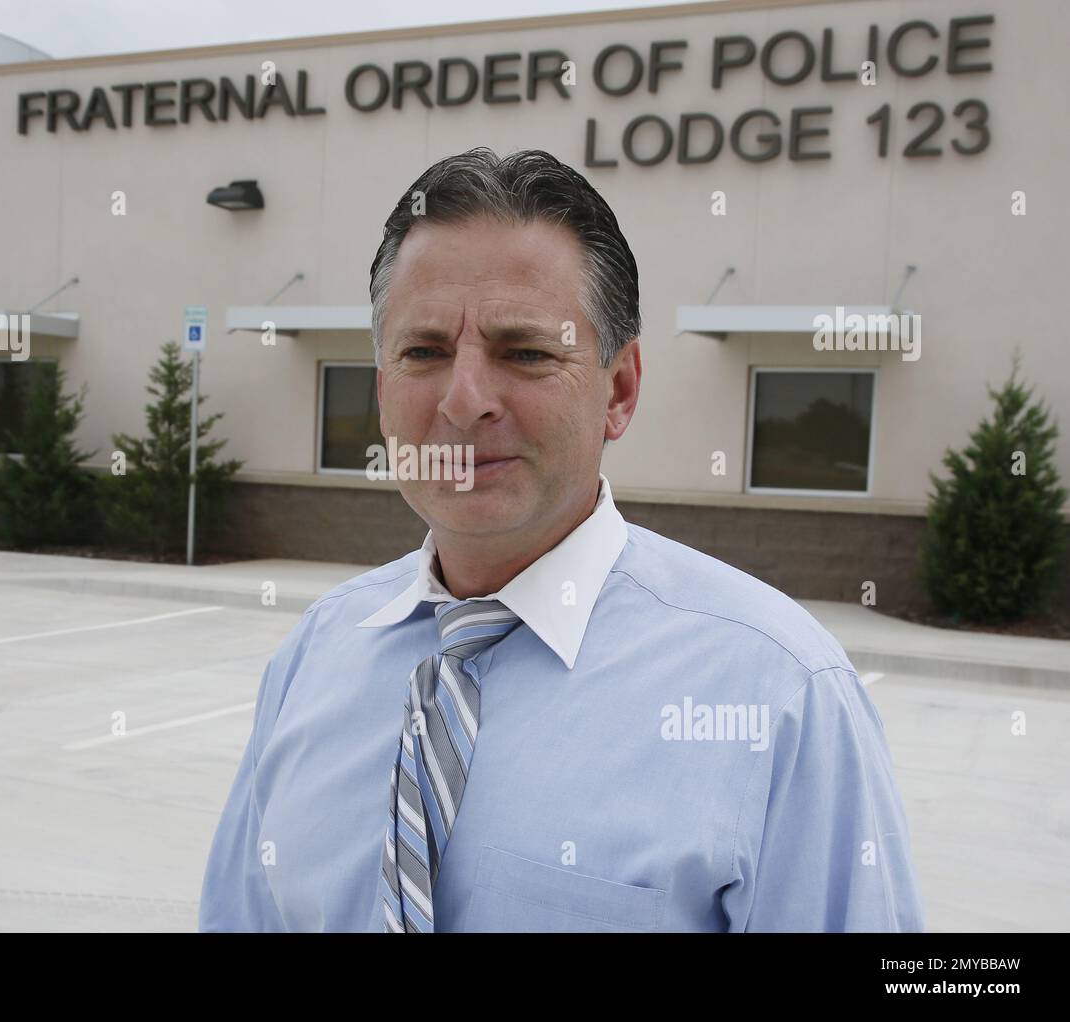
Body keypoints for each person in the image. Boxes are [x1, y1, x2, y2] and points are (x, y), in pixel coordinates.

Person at [198, 147, 925, 932]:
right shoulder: (314, 656)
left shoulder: (781, 693)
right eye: (424, 351)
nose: (465, 399)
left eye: (527, 352)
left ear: (619, 390)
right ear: (382, 390)